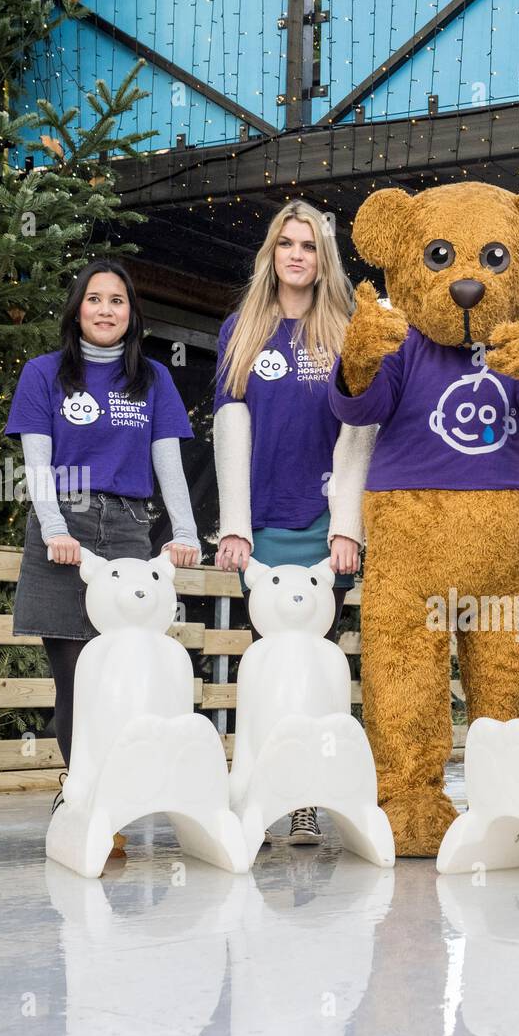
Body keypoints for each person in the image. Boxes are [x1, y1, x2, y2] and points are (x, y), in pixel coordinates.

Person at [6, 259, 201, 845]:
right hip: (62, 530)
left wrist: (187, 533)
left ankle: (122, 787)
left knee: (121, 673)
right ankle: (80, 788)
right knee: (74, 676)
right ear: (78, 308)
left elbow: (169, 463)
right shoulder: (44, 375)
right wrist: (54, 530)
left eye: (118, 301)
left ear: (131, 314)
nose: (106, 310)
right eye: (95, 299)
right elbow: (38, 466)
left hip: (126, 535)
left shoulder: (154, 380)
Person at [212, 198, 375, 845]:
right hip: (262, 528)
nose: (298, 255)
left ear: (323, 257)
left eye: (309, 245)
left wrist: (347, 527)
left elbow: (361, 429)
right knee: (267, 666)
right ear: (272, 254)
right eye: (287, 244)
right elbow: (231, 426)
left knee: (315, 668)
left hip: (321, 526)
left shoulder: (346, 329)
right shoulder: (242, 328)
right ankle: (257, 791)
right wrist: (233, 525)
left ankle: (307, 798)